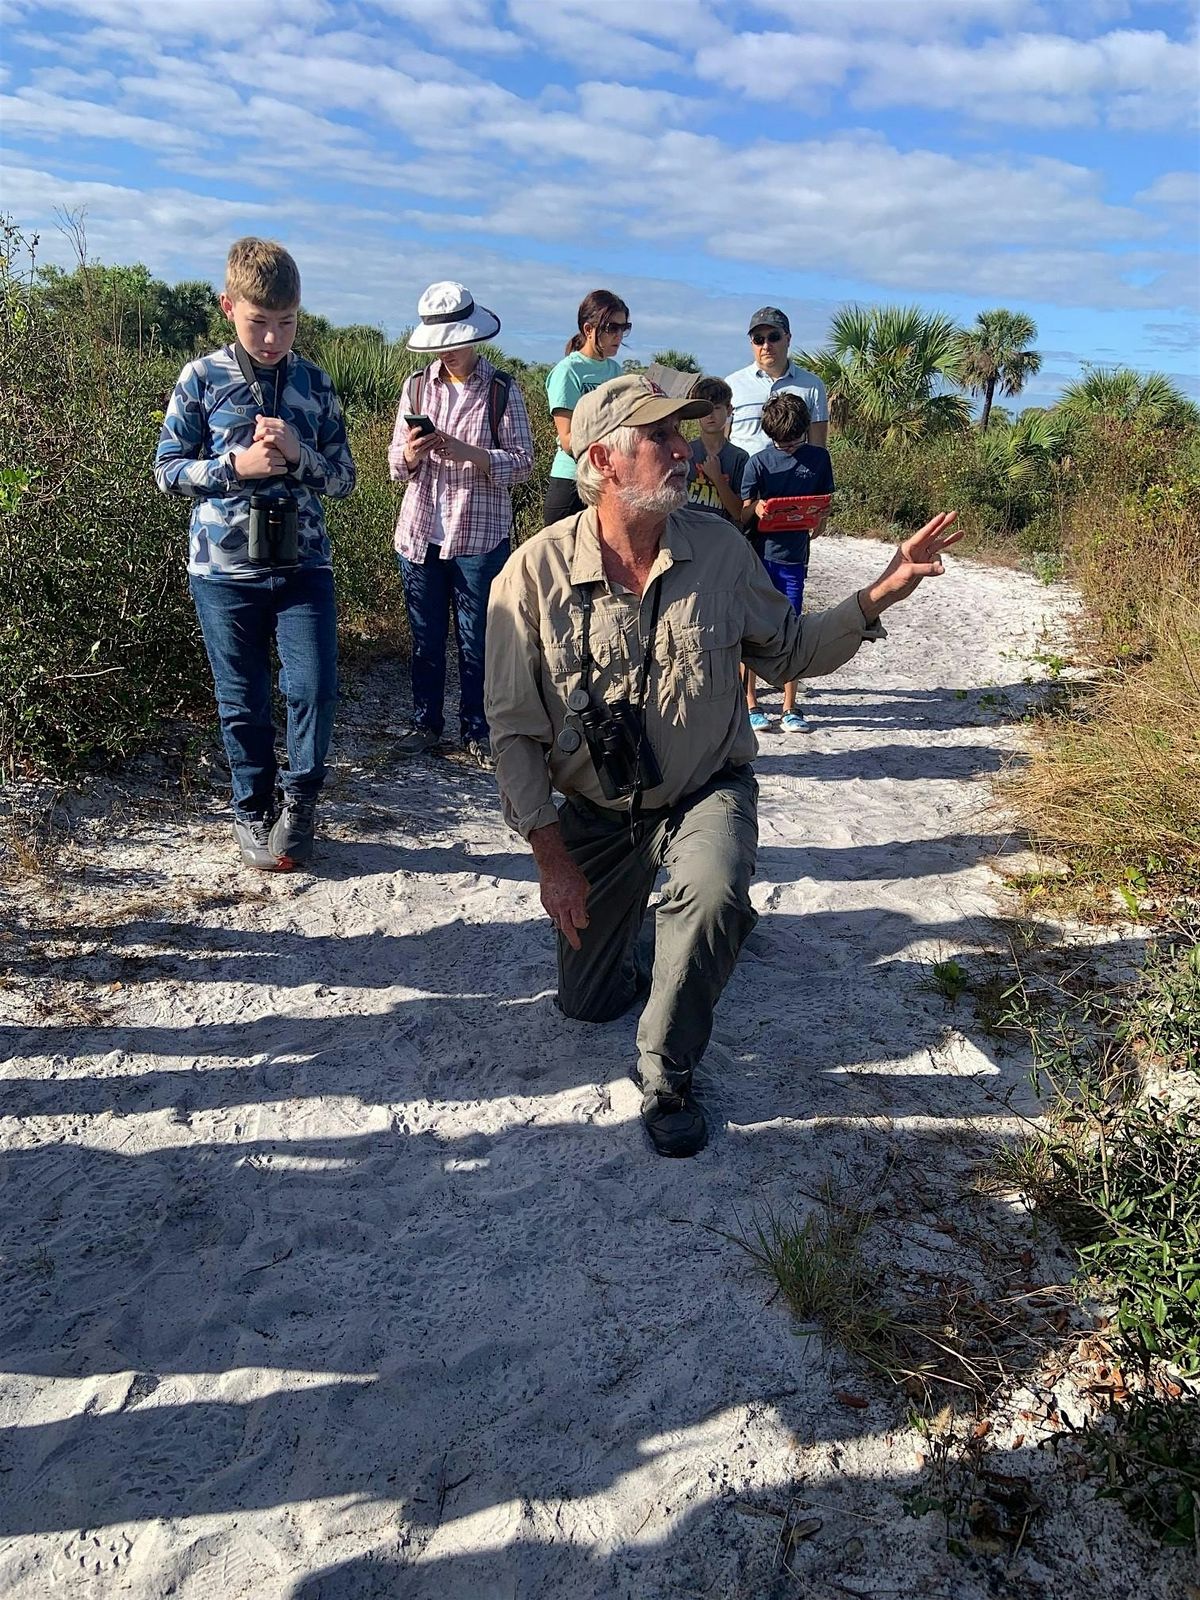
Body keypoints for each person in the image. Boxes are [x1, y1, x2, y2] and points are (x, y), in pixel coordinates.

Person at [485, 374, 961, 1159]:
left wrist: (883, 591)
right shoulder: (528, 576)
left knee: (709, 890)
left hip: (703, 792)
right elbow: (513, 735)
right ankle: (666, 936)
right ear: (603, 460)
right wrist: (551, 859)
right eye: (661, 439)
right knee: (588, 1004)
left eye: (684, 434)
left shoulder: (719, 548)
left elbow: (791, 653)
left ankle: (668, 1074)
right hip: (599, 820)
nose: (685, 451)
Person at [155, 236, 355, 872]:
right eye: (259, 322)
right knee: (242, 699)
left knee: (315, 689)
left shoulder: (316, 384)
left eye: (287, 324)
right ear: (228, 306)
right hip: (222, 569)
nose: (273, 339)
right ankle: (251, 807)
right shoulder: (201, 378)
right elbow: (166, 470)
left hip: (304, 564)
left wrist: (301, 456)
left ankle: (301, 802)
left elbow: (346, 479)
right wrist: (232, 468)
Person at [388, 281, 534, 768]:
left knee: (478, 639)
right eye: (440, 344)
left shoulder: (501, 390)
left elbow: (524, 462)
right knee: (425, 637)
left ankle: (478, 730)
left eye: (455, 342)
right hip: (420, 529)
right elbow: (394, 465)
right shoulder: (415, 386)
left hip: (478, 532)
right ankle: (424, 723)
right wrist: (411, 452)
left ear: (474, 337)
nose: (448, 353)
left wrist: (474, 455)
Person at [740, 391, 834, 732]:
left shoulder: (819, 459)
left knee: (792, 627)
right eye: (782, 440)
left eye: (794, 438)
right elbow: (742, 513)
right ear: (770, 434)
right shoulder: (759, 462)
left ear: (805, 429)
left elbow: (822, 513)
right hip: (759, 557)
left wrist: (815, 518)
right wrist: (758, 508)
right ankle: (750, 703)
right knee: (752, 632)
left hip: (794, 557)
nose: (789, 445)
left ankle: (790, 706)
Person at [542, 290, 630, 525]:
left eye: (624, 327)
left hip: (606, 480)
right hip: (571, 480)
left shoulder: (615, 371)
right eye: (612, 327)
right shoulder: (568, 371)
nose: (619, 335)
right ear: (588, 329)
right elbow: (568, 439)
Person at [727, 306, 828, 456]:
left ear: (788, 339)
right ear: (752, 344)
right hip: (743, 478)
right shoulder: (732, 385)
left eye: (774, 337)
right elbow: (721, 443)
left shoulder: (812, 386)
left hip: (793, 478)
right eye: (759, 340)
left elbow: (817, 449)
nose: (766, 346)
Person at [686, 376, 749, 525]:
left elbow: (739, 513)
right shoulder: (685, 453)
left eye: (717, 408)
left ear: (729, 410)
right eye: (705, 409)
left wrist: (718, 479)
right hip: (687, 535)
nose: (710, 415)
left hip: (725, 539)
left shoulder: (739, 458)